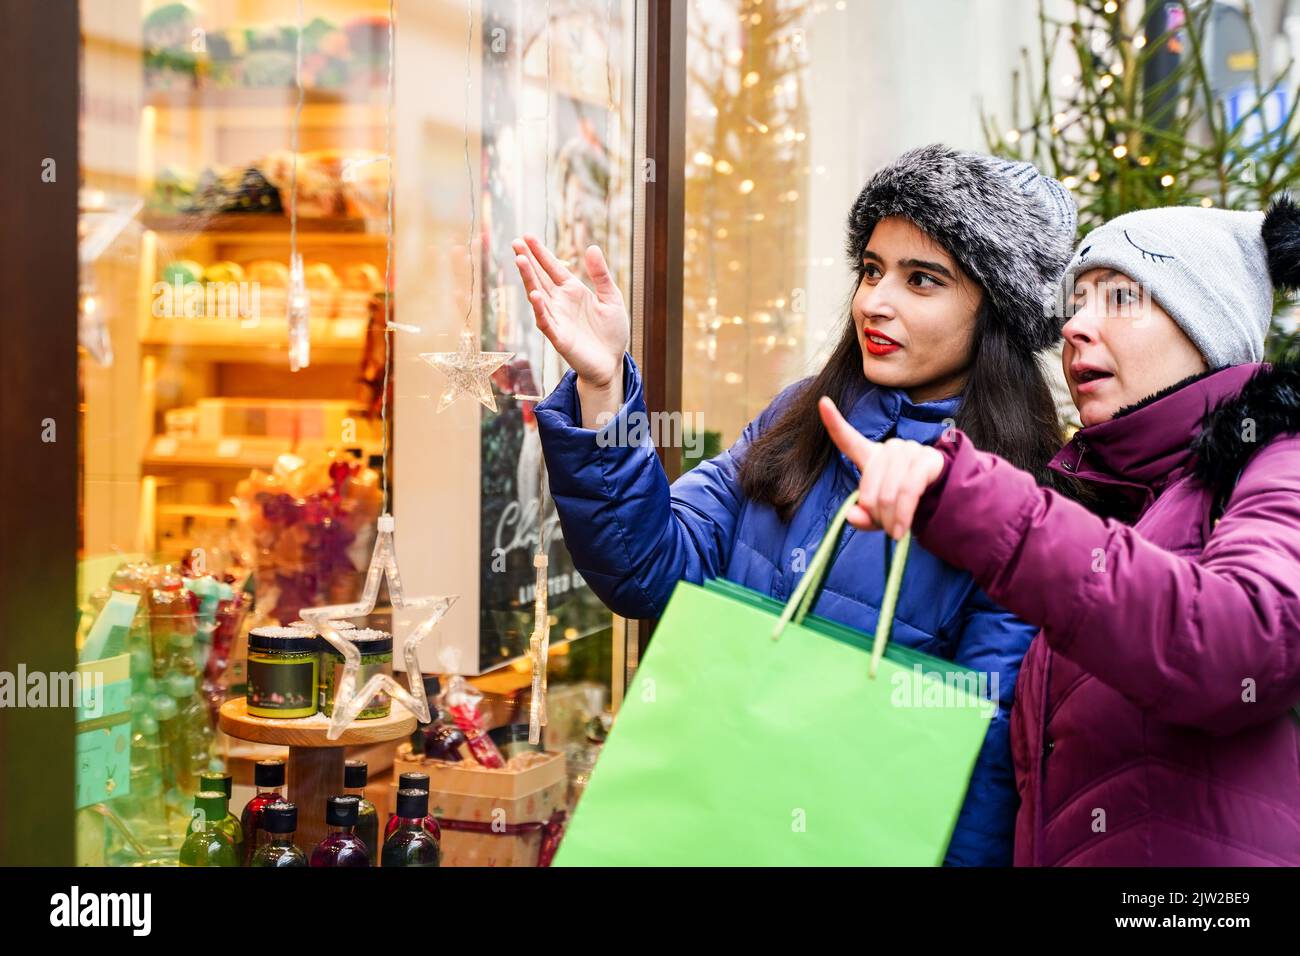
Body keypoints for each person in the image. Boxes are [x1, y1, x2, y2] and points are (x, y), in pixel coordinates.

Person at [513, 145, 1078, 865]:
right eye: (871, 270)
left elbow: (981, 765)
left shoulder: (1020, 498)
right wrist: (601, 390)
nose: (876, 300)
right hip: (704, 826)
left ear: (994, 310)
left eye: (922, 280)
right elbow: (644, 568)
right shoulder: (802, 415)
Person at [820, 196, 1300, 865]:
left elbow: (1242, 639)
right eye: (1077, 303)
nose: (1075, 327)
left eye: (1120, 298)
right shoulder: (1114, 499)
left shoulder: (1279, 457)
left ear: (1207, 326)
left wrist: (967, 495)